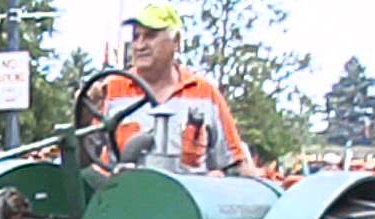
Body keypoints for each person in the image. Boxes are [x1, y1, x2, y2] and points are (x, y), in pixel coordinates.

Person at [99, 2, 259, 177]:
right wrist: (84, 111)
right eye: (136, 37)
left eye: (150, 36)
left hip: (186, 199)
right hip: (125, 197)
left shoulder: (205, 94)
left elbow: (234, 163)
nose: (139, 45)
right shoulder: (113, 89)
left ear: (176, 42)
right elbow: (87, 156)